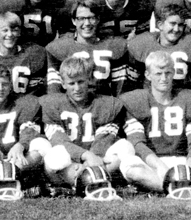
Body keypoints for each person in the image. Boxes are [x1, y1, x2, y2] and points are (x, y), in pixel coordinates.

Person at [114, 51, 191, 195]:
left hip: (184, 161)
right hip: (154, 164)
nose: (164, 78)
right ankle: (184, 187)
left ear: (174, 73)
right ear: (148, 75)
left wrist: (189, 170)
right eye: (158, 73)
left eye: (168, 73)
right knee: (129, 167)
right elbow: (137, 143)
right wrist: (158, 165)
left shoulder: (189, 99)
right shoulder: (136, 100)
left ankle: (167, 187)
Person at [37, 56, 129, 191]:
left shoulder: (106, 104)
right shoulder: (52, 104)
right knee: (55, 158)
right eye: (71, 83)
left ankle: (78, 183)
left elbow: (104, 139)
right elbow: (59, 141)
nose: (77, 88)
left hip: (97, 158)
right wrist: (86, 156)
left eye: (81, 82)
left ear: (90, 80)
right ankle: (91, 180)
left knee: (125, 147)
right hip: (70, 161)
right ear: (63, 84)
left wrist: (90, 161)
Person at [44, 0, 130, 96]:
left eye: (91, 18)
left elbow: (120, 91)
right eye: (81, 18)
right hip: (71, 105)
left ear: (98, 19)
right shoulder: (58, 48)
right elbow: (54, 93)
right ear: (73, 21)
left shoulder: (113, 46)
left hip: (103, 103)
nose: (87, 23)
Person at [127, 3, 191, 92]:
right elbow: (131, 86)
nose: (176, 29)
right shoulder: (141, 43)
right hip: (150, 100)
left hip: (182, 99)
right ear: (160, 25)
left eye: (180, 25)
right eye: (172, 24)